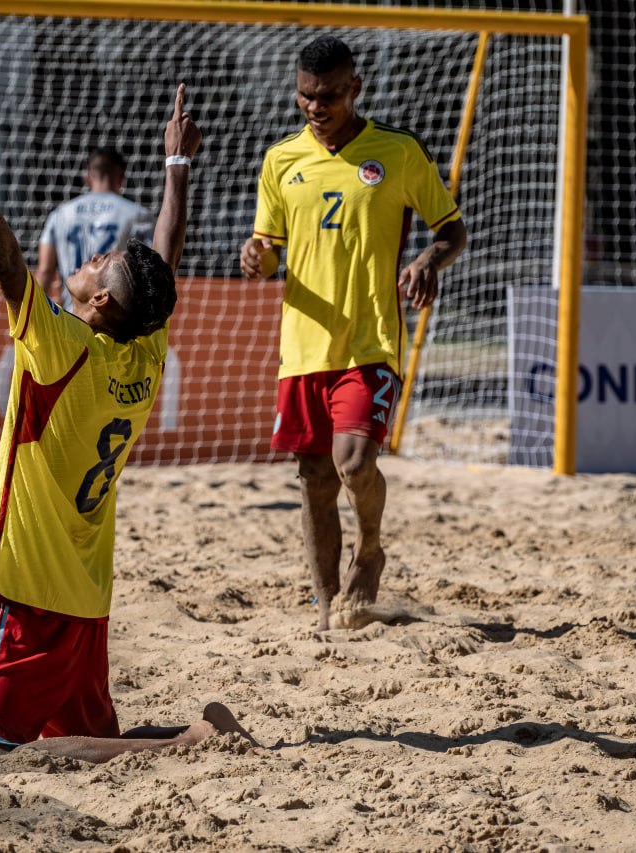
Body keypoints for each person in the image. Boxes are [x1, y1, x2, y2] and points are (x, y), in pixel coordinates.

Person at [0, 73, 256, 760]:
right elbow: (163, 259)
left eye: (100, 266)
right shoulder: (143, 349)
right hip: (86, 594)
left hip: (27, 587)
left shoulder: (62, 347)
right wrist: (177, 168)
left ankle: (184, 743)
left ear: (99, 304)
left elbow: (6, 261)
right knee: (85, 739)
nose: (92, 260)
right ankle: (200, 736)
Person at [239, 35, 467, 631]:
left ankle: (371, 548)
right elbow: (268, 252)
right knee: (314, 478)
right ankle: (324, 604)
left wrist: (424, 263)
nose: (316, 106)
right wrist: (257, 258)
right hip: (304, 346)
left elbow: (452, 231)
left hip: (372, 341)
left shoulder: (397, 151)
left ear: (355, 89)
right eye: (306, 96)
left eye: (329, 96)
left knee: (354, 462)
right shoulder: (280, 160)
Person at [36, 146, 154, 310]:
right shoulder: (137, 215)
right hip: (113, 318)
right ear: (122, 178)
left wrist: (33, 316)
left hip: (72, 315)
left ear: (87, 178)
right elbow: (151, 270)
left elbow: (45, 271)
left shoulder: (60, 214)